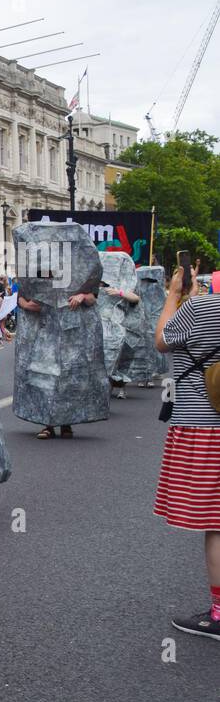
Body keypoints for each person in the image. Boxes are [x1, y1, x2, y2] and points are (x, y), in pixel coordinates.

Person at [153, 264, 220, 640]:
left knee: (216, 522)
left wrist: (174, 294)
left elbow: (162, 339)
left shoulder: (202, 310)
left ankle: (219, 612)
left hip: (205, 427)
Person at [17, 285, 99, 439]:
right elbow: (22, 295)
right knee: (47, 378)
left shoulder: (79, 273)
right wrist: (26, 304)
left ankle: (66, 423)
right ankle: (48, 424)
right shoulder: (41, 272)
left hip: (72, 333)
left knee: (68, 379)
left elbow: (92, 298)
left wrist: (81, 295)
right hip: (46, 332)